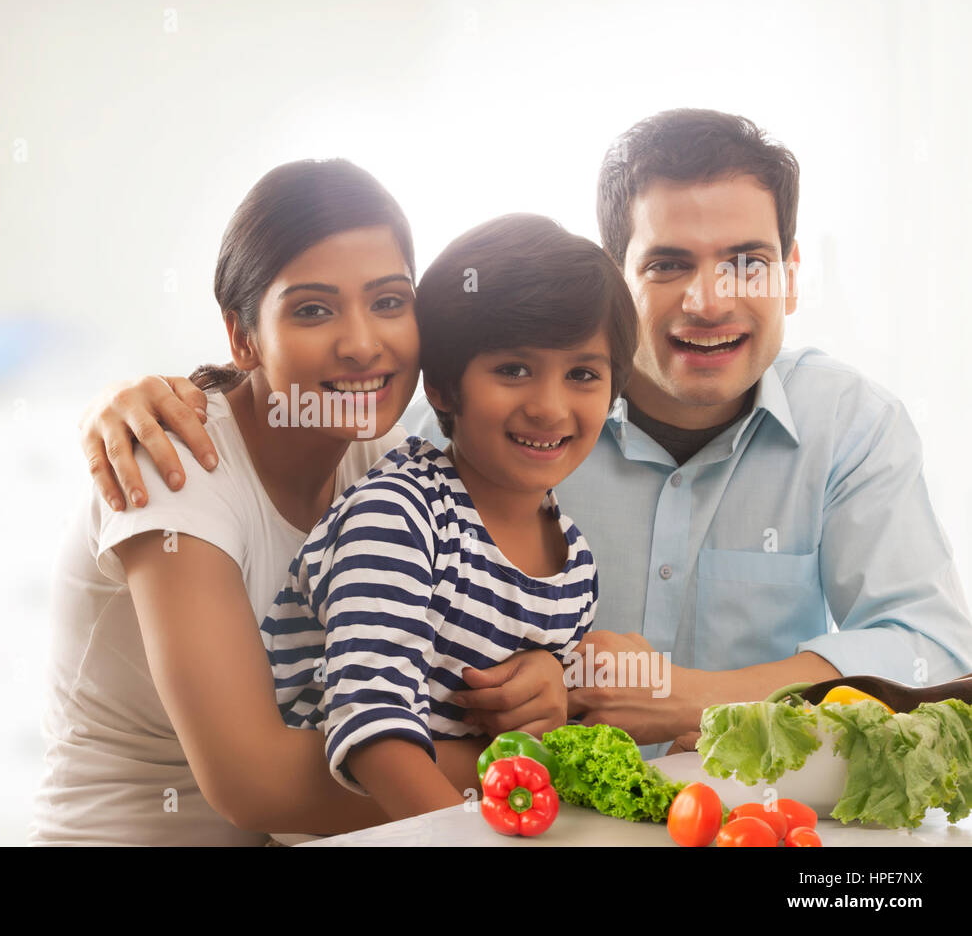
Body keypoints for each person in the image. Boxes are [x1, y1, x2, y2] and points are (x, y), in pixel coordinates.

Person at [85, 110, 972, 758]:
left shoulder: (850, 426)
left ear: (790, 274)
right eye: (668, 264)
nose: (711, 301)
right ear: (613, 278)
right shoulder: (478, 417)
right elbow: (335, 388)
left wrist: (682, 700)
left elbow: (931, 646)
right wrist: (170, 391)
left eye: (747, 261)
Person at [29, 159, 559, 846]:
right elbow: (258, 784)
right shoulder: (173, 468)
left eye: (390, 301)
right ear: (242, 336)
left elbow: (452, 658)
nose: (363, 343)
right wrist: (528, 767)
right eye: (313, 309)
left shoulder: (386, 460)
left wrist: (539, 680)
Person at [260, 214, 637, 820]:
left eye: (583, 374)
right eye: (512, 370)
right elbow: (372, 726)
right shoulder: (401, 515)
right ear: (440, 388)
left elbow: (536, 737)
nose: (549, 406)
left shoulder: (576, 564)